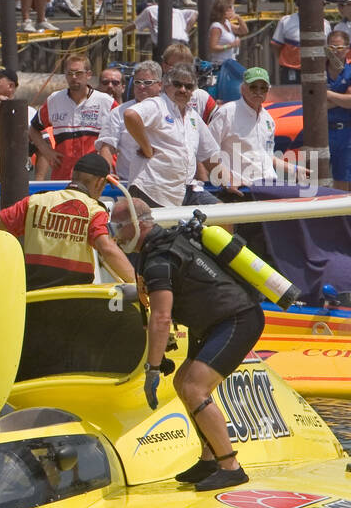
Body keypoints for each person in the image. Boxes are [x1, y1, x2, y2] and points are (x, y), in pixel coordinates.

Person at [109, 196, 262, 492]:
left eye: (118, 226)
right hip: (214, 321)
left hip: (238, 318)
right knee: (182, 381)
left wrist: (152, 369)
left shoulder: (159, 259)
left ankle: (231, 467)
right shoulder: (160, 248)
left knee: (195, 388)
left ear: (139, 224)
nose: (115, 233)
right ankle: (209, 459)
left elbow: (162, 318)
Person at [0, 152, 134, 289]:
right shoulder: (94, 210)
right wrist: (138, 285)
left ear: (73, 175)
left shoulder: (35, 202)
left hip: (35, 296)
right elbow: (107, 248)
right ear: (100, 183)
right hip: (76, 298)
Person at [123, 64, 220, 207]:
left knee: (224, 215)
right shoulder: (157, 104)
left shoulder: (193, 116)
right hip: (152, 190)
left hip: (186, 189)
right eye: (177, 84)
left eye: (188, 86)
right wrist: (147, 148)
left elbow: (209, 155)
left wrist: (227, 180)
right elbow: (130, 115)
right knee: (162, 229)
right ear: (165, 86)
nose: (183, 90)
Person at [207, 66, 307, 192]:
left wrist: (295, 169)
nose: (258, 92)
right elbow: (207, 151)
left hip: (270, 186)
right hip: (243, 189)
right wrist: (226, 180)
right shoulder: (227, 113)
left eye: (263, 88)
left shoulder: (268, 120)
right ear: (243, 88)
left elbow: (267, 156)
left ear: (267, 91)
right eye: (253, 87)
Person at [31, 54, 115, 180]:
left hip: (94, 178)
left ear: (89, 75)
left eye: (78, 73)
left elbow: (123, 133)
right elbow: (33, 129)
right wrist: (46, 151)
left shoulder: (106, 102)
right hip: (62, 176)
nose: (74, 77)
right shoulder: (54, 100)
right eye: (69, 73)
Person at [96, 58, 161, 186]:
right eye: (137, 82)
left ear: (160, 85)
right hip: (130, 184)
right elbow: (107, 147)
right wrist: (107, 174)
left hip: (164, 184)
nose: (141, 87)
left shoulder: (171, 110)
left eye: (147, 82)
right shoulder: (118, 113)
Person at [324, 29, 351, 193]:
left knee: (343, 180)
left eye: (340, 48)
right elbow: (314, 106)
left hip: (345, 132)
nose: (336, 52)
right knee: (315, 180)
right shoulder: (317, 69)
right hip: (321, 131)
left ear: (348, 49)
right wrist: (344, 96)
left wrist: (327, 95)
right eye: (332, 47)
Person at [271, 0, 331, 81]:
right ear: (298, 3)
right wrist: (286, 63)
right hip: (291, 70)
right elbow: (276, 45)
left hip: (315, 71)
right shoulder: (286, 21)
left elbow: (327, 50)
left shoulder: (325, 24)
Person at [161, 41, 216, 123]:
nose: (181, 72)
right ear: (164, 66)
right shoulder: (155, 95)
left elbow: (219, 125)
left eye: (185, 67)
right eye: (176, 67)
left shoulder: (201, 97)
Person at [207, 0, 246, 67]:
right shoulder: (216, 27)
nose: (232, 12)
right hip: (220, 64)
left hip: (230, 62)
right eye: (229, 10)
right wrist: (231, 45)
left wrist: (238, 18)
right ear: (222, 12)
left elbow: (243, 31)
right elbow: (213, 48)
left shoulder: (227, 23)